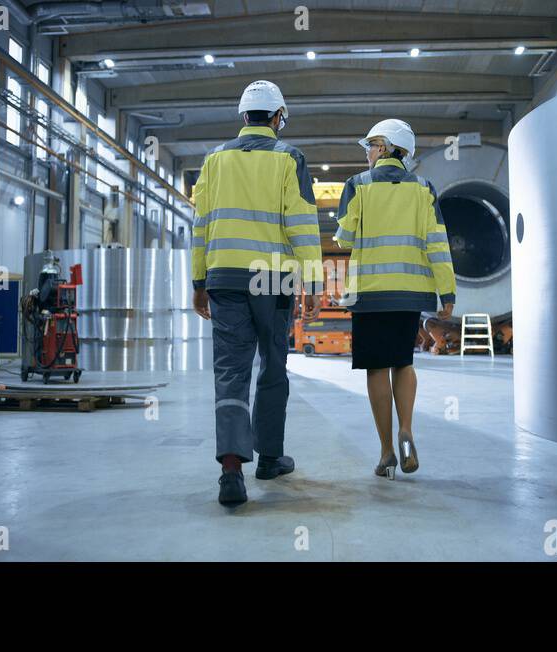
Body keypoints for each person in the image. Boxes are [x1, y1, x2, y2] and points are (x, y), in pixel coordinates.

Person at [191, 80, 323, 506]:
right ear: (279, 117)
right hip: (273, 277)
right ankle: (269, 457)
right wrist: (315, 284)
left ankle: (231, 468)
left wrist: (198, 282)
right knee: (272, 366)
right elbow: (301, 224)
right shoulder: (290, 157)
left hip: (225, 276)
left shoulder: (214, 160)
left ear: (242, 116)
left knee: (230, 370)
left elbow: (201, 226)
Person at [334, 119, 456, 479]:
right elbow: (438, 244)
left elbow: (344, 238)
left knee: (376, 368)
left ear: (387, 146)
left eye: (371, 145)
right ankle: (406, 430)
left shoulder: (357, 185)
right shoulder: (423, 188)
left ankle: (387, 451)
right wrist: (446, 294)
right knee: (403, 363)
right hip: (408, 295)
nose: (368, 153)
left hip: (370, 295)